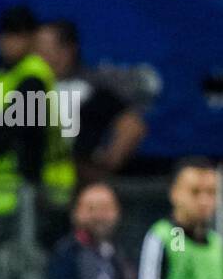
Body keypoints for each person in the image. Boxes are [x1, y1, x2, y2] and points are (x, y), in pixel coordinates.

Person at [0, 6, 72, 244]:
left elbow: (23, 133)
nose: (9, 42)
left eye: (18, 35)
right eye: (5, 35)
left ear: (32, 38)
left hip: (33, 199)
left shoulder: (33, 76)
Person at [36, 20, 148, 185]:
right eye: (37, 49)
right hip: (39, 183)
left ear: (68, 50)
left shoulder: (92, 88)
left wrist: (106, 166)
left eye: (45, 48)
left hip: (80, 183)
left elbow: (133, 126)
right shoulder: (29, 86)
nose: (38, 55)